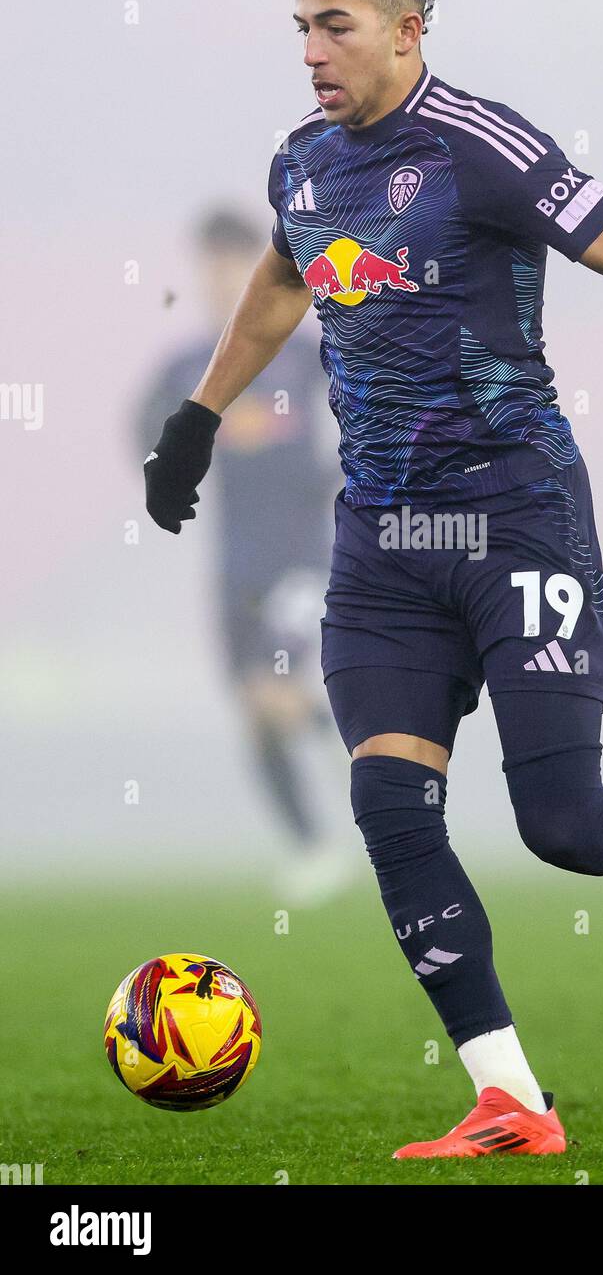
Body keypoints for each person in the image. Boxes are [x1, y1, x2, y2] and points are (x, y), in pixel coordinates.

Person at [143, 0, 603, 1160]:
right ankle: (512, 1096)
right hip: (381, 546)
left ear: (408, 27)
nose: (310, 49)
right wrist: (196, 418)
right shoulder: (300, 162)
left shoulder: (480, 147)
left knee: (560, 823)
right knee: (391, 804)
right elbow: (286, 279)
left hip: (513, 520)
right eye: (299, 26)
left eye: (334, 24)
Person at [139, 209, 352, 904]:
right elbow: (145, 433)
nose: (220, 277)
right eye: (210, 265)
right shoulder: (184, 367)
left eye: (233, 262)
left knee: (273, 690)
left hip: (300, 555)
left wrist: (345, 477)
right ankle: (313, 845)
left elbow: (375, 405)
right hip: (233, 563)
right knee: (256, 711)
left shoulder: (301, 351)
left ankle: (359, 767)